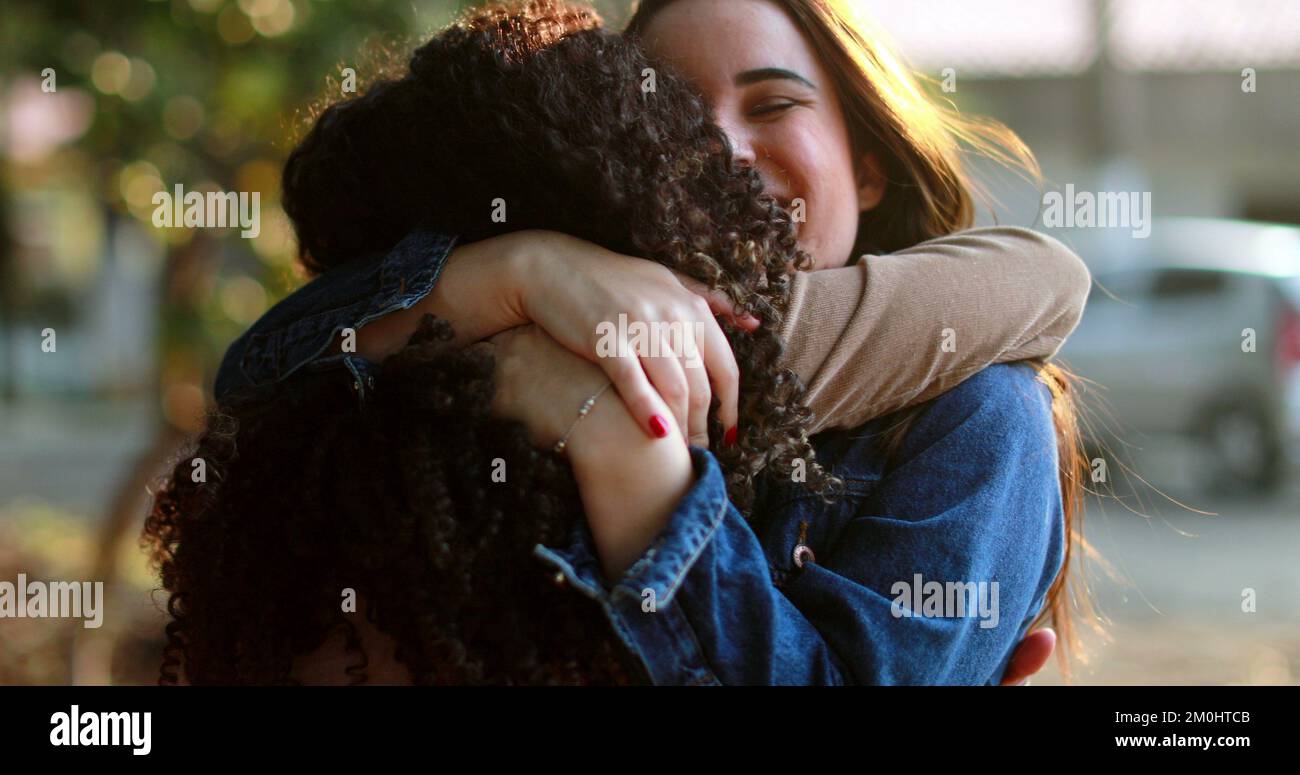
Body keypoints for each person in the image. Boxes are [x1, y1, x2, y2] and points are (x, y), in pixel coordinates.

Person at [177, 0, 1091, 683]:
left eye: (773, 105)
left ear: (869, 161)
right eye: (677, 113)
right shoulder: (542, 298)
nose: (725, 148)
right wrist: (523, 271)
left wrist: (617, 435)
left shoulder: (975, 415)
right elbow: (257, 381)